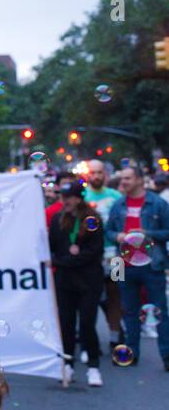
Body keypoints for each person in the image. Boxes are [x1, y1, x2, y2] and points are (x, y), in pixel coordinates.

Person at [106, 165, 169, 369]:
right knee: (127, 310)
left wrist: (146, 232)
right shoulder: (118, 204)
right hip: (121, 262)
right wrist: (117, 236)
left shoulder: (158, 203)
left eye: (127, 178)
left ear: (140, 180)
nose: (123, 182)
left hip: (152, 263)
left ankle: (166, 356)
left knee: (159, 310)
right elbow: (108, 231)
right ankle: (130, 354)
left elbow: (167, 231)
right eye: (122, 178)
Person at [48, 178, 106, 386]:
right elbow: (51, 248)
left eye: (69, 197)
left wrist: (66, 261)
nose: (65, 201)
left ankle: (93, 366)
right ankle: (68, 365)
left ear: (78, 198)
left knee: (87, 324)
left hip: (89, 280)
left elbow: (94, 251)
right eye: (63, 197)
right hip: (65, 281)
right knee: (66, 324)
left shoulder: (92, 219)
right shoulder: (57, 219)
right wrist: (62, 261)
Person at [84, 160, 127, 347]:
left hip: (116, 256)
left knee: (115, 294)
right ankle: (88, 339)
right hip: (92, 257)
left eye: (100, 172)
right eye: (93, 172)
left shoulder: (116, 196)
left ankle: (115, 335)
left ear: (105, 174)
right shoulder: (83, 197)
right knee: (90, 297)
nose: (96, 176)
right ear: (88, 175)